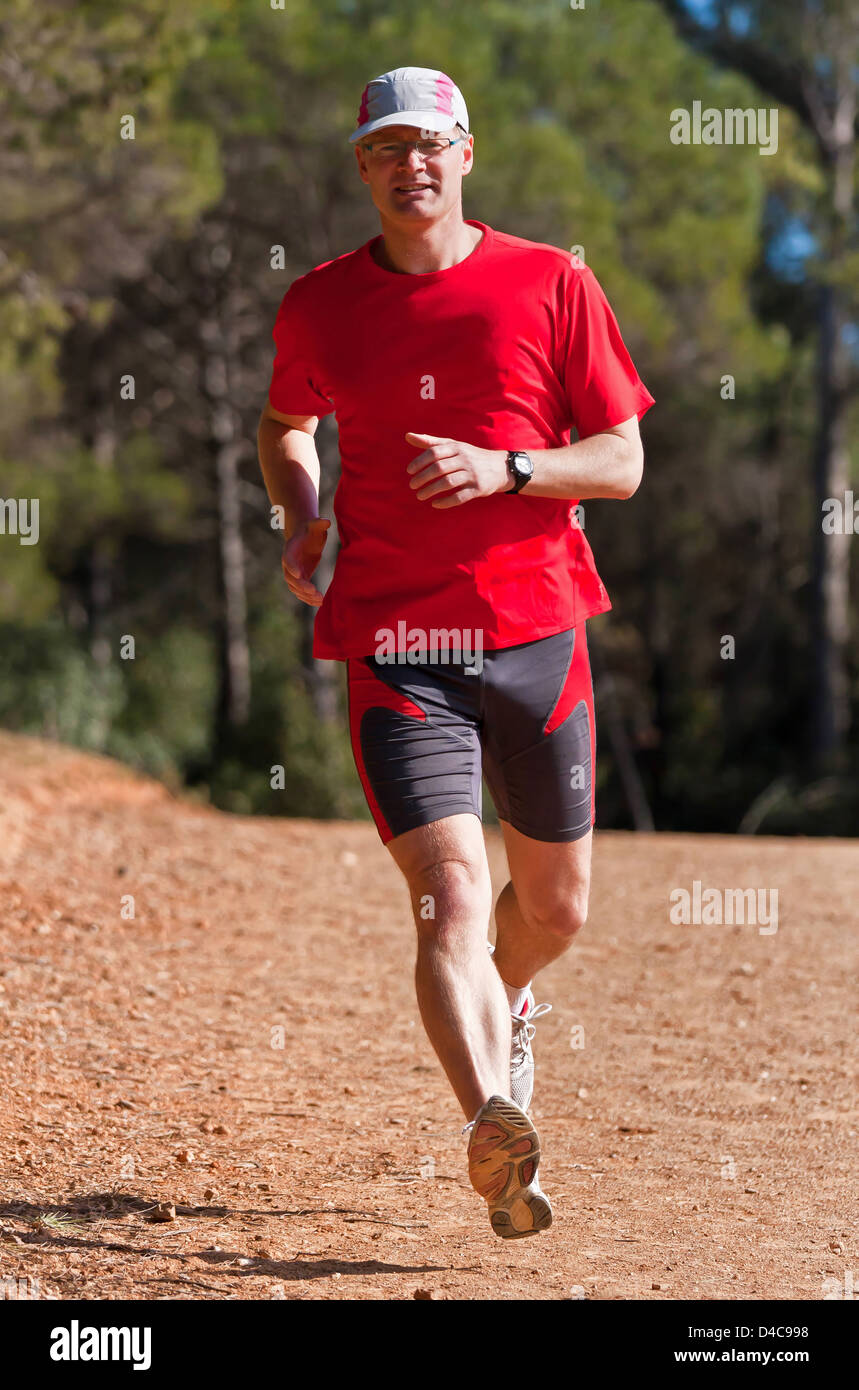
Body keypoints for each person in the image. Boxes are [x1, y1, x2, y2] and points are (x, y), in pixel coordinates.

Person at [257, 66, 655, 1239]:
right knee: (446, 898)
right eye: (386, 148)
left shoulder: (549, 282)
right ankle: (495, 1125)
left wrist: (510, 469)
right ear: (363, 167)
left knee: (556, 907)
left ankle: (509, 994)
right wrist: (302, 509)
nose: (409, 164)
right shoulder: (322, 303)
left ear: (465, 154)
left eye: (429, 143)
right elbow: (286, 420)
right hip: (397, 644)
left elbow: (622, 460)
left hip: (537, 632)